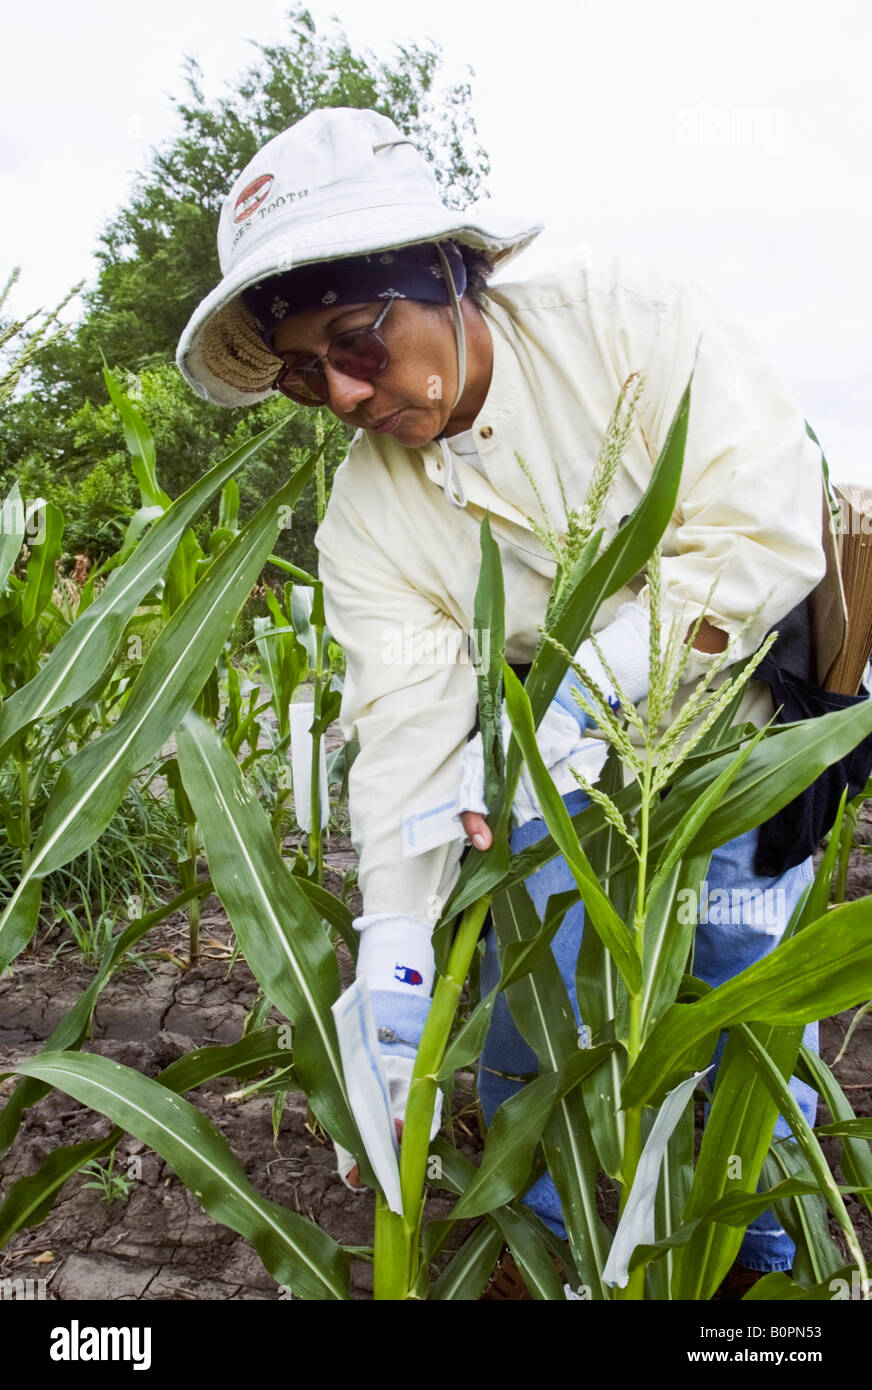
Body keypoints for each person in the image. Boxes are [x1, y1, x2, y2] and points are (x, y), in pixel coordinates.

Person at [176, 106, 843, 1292]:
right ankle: (543, 1260)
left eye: (357, 343)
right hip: (547, 775)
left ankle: (774, 1285)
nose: (339, 394)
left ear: (444, 272)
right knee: (524, 1038)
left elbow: (762, 532)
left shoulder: (627, 326)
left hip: (728, 746)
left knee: (735, 1041)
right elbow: (407, 723)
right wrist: (389, 947)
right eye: (300, 376)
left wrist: (588, 692)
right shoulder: (370, 518)